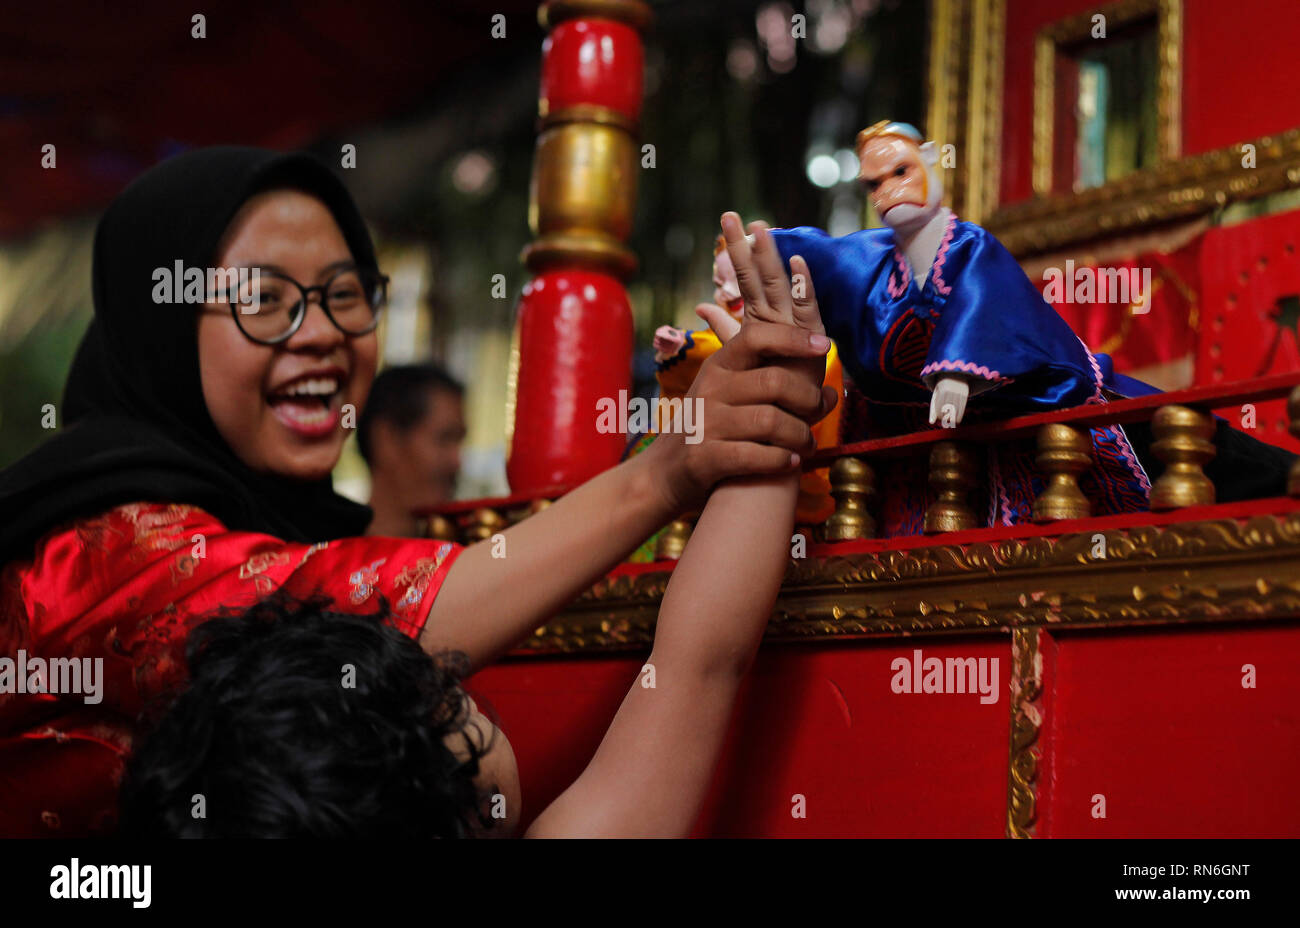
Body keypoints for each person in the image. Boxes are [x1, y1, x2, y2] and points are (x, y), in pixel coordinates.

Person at [0, 148, 837, 837]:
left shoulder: (255, 519)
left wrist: (758, 418)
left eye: (344, 293)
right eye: (262, 299)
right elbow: (367, 624)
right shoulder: (88, 549)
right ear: (162, 329)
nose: (323, 331)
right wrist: (669, 469)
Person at [357, 362, 467, 536]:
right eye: (444, 439)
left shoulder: (461, 553)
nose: (457, 462)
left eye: (459, 441)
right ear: (387, 440)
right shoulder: (330, 556)